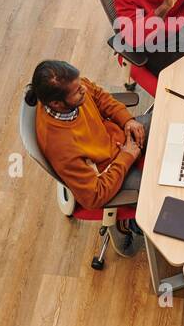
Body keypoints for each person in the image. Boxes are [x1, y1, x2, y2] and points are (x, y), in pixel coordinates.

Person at [28, 59, 149, 227]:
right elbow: (94, 197)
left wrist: (127, 120)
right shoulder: (61, 147)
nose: (84, 88)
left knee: (170, 125)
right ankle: (130, 226)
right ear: (56, 103)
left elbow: (98, 96)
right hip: (110, 171)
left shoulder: (71, 85)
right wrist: (126, 157)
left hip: (119, 138)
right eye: (78, 91)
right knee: (156, 200)